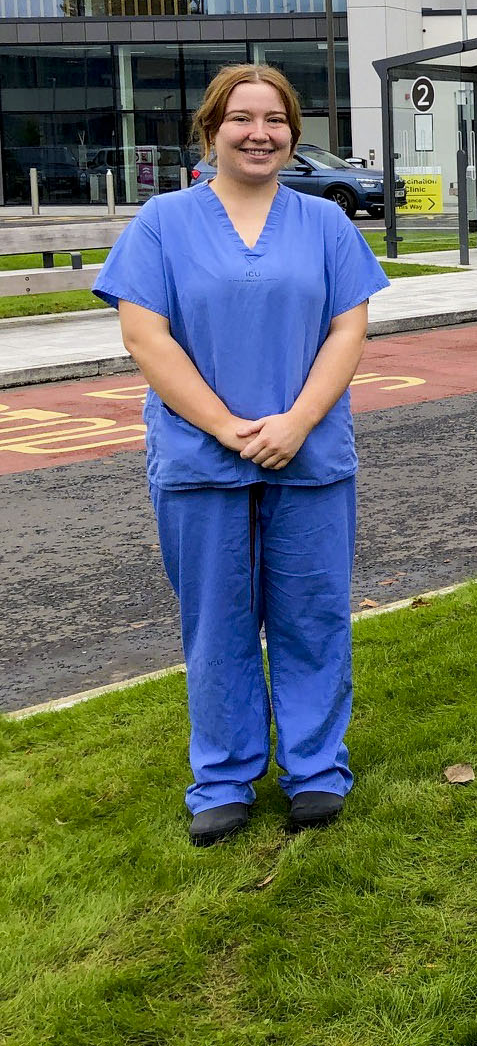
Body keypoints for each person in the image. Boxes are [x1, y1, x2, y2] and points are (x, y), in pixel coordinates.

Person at [94, 65, 388, 846]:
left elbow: (347, 332)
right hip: (200, 459)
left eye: (276, 119)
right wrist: (228, 427)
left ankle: (316, 769)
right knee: (216, 621)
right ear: (211, 128)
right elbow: (144, 337)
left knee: (312, 614)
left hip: (310, 452)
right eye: (241, 118)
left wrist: (294, 421)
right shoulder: (161, 222)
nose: (259, 133)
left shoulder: (326, 224)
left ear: (294, 132)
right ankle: (222, 777)